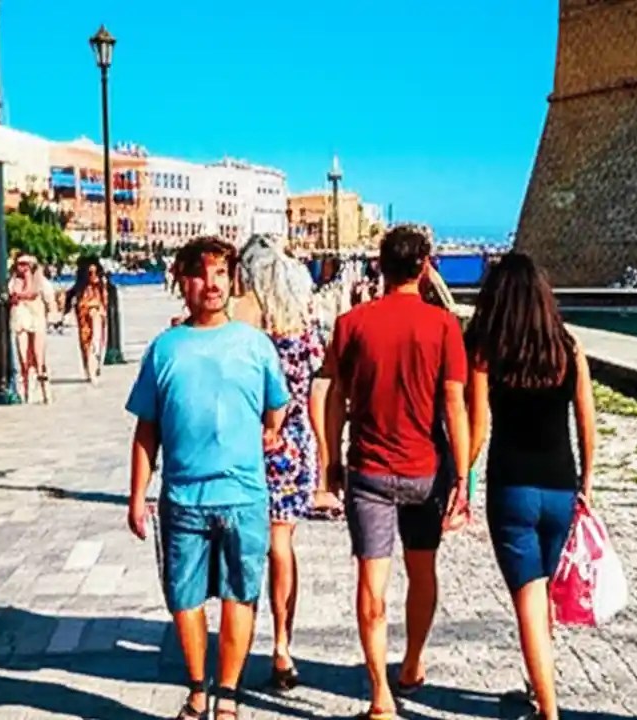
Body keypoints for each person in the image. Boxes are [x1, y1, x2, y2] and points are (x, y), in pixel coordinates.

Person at [125, 236, 290, 720]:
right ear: (182, 281)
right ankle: (199, 687)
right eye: (200, 274)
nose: (212, 283)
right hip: (183, 497)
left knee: (241, 592)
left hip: (243, 497)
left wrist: (270, 432)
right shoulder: (164, 349)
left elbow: (276, 405)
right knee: (185, 596)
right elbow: (146, 430)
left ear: (231, 278)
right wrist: (138, 496)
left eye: (220, 272)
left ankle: (230, 694)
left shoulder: (255, 344)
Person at [316, 225, 471, 720]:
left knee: (372, 582)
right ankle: (412, 663)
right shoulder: (444, 326)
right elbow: (454, 405)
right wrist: (463, 477)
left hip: (369, 470)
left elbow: (334, 396)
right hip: (427, 469)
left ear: (379, 266)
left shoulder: (351, 323)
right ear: (424, 267)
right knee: (422, 571)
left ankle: (381, 696)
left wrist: (330, 462)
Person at [463, 252, 596, 720]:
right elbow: (586, 421)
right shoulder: (568, 348)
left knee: (528, 599)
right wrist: (588, 482)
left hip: (512, 489)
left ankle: (549, 709)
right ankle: (537, 685)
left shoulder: (485, 351)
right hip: (561, 487)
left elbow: (477, 428)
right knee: (542, 597)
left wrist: (461, 479)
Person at [236, 237, 325, 690]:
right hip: (294, 443)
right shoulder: (304, 329)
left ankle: (247, 638)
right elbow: (317, 391)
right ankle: (282, 645)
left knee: (253, 545)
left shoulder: (247, 330)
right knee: (281, 543)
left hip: (252, 441)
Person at [8, 253, 57, 403]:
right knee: (23, 358)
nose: (21, 267)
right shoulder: (13, 282)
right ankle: (27, 391)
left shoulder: (41, 283)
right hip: (20, 321)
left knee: (38, 357)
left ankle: (45, 391)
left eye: (25, 264)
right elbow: (10, 297)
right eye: (19, 264)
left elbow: (50, 301)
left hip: (37, 321)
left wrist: (53, 318)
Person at [64, 255, 109, 382]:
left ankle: (93, 366)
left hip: (96, 309)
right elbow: (72, 295)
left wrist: (104, 309)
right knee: (85, 341)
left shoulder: (100, 283)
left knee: (96, 339)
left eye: (95, 272)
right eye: (90, 273)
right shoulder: (81, 285)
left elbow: (104, 297)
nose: (93, 276)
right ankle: (90, 368)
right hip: (83, 310)